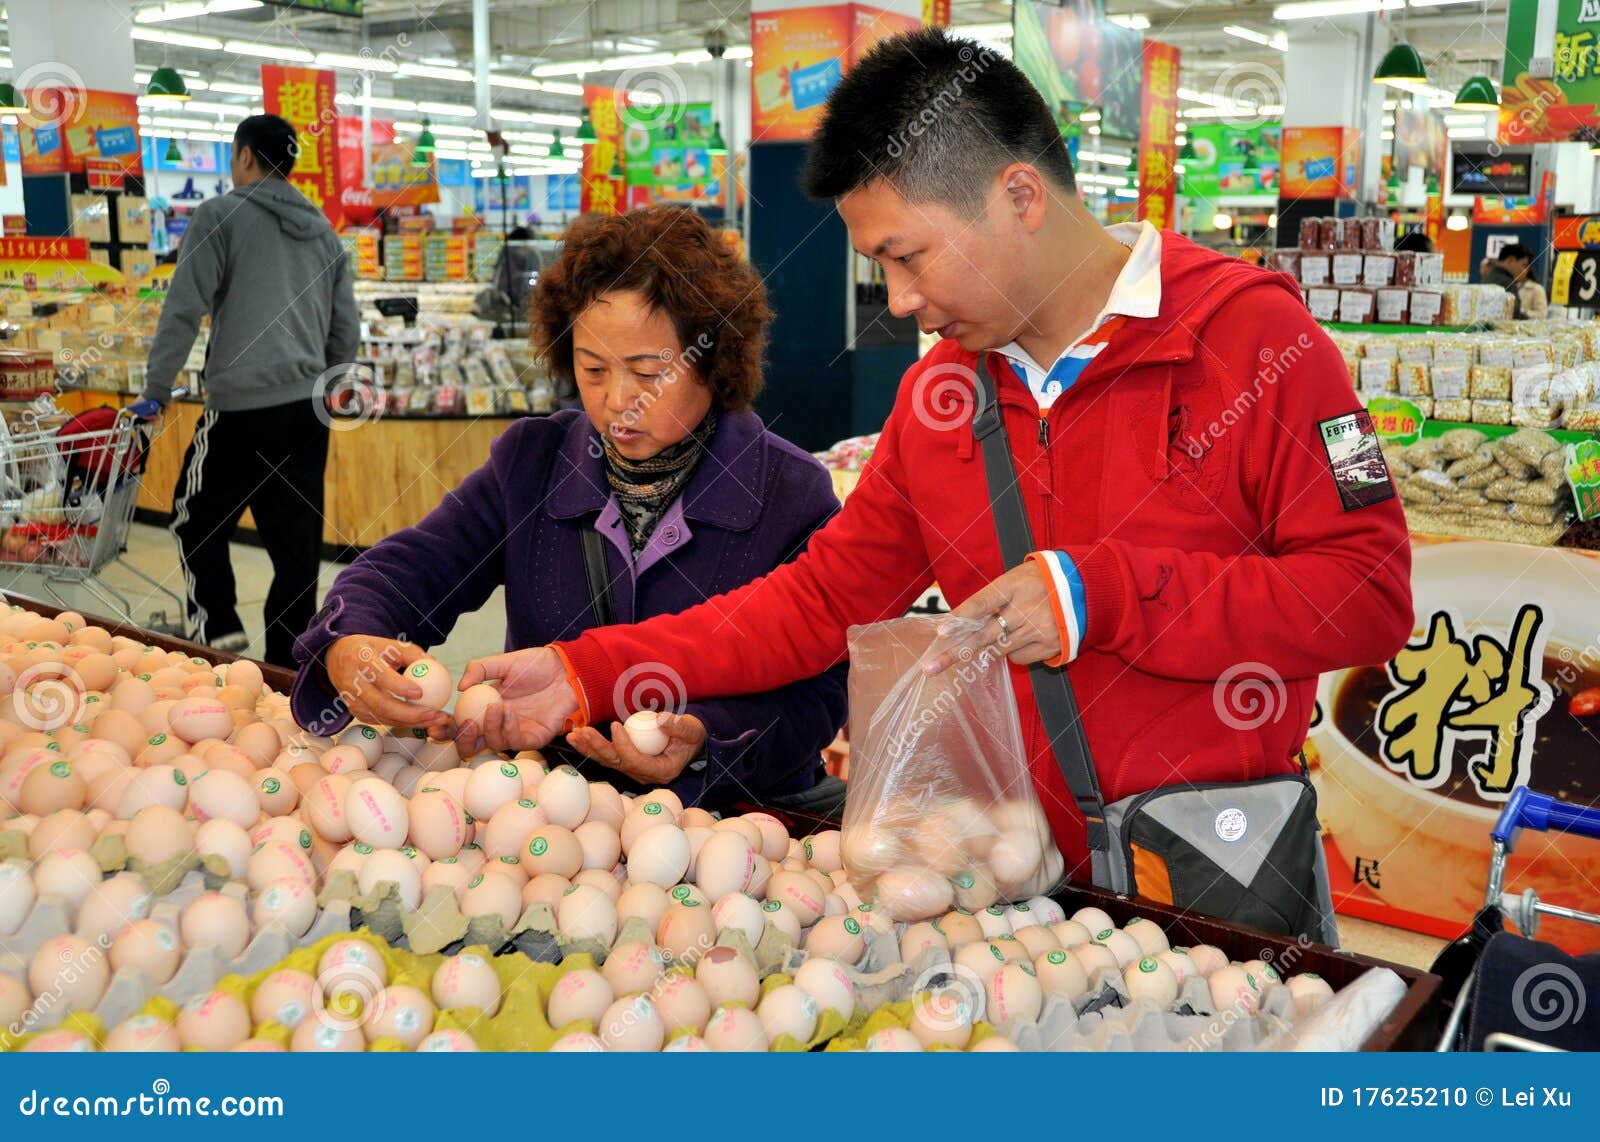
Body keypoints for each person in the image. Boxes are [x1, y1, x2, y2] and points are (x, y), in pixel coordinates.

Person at [446, 29, 1414, 874]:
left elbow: (1368, 593)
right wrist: (588, 670)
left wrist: (1098, 594)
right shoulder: (942, 399)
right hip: (1007, 882)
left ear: (1019, 196)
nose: (898, 300)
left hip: (1215, 881)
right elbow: (816, 601)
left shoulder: (1251, 344)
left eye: (908, 256)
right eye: (880, 266)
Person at [291, 205, 846, 809]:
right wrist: (350, 640)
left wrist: (707, 740)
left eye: (648, 373)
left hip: (738, 812)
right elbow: (412, 568)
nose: (617, 401)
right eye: (593, 369)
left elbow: (822, 689)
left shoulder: (788, 491)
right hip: (550, 801)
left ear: (712, 361)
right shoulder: (533, 463)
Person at [142, 114, 358, 666]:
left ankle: (219, 625)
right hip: (307, 412)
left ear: (243, 157)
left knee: (195, 518)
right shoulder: (326, 234)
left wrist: (157, 388)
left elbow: (183, 310)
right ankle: (286, 667)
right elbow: (344, 329)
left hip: (240, 408)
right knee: (296, 548)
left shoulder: (220, 215)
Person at [1483, 243, 1548, 319]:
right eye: (1523, 265)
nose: (1524, 270)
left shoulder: (1490, 277)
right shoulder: (1506, 282)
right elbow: (1514, 313)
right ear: (1510, 261)